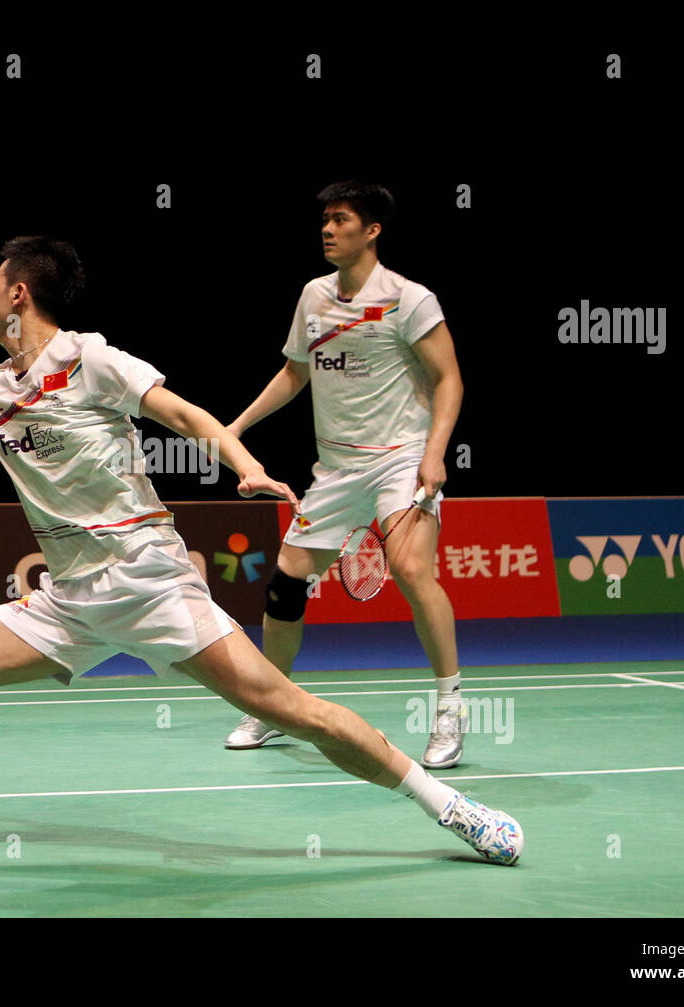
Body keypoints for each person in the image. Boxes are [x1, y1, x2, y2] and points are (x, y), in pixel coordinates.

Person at [0, 235, 521, 865]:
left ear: (18, 294)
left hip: (148, 581)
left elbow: (182, 413)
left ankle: (448, 806)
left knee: (289, 707)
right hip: (69, 596)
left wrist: (245, 464)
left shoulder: (93, 360)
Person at [222, 182, 469, 769]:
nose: (327, 230)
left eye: (340, 220)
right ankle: (273, 707)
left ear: (372, 230)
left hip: (400, 457)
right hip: (335, 469)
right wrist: (235, 427)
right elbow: (293, 373)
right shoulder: (313, 297)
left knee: (411, 569)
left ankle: (451, 712)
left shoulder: (410, 299)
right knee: (285, 588)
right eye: (325, 221)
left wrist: (434, 453)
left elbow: (449, 379)